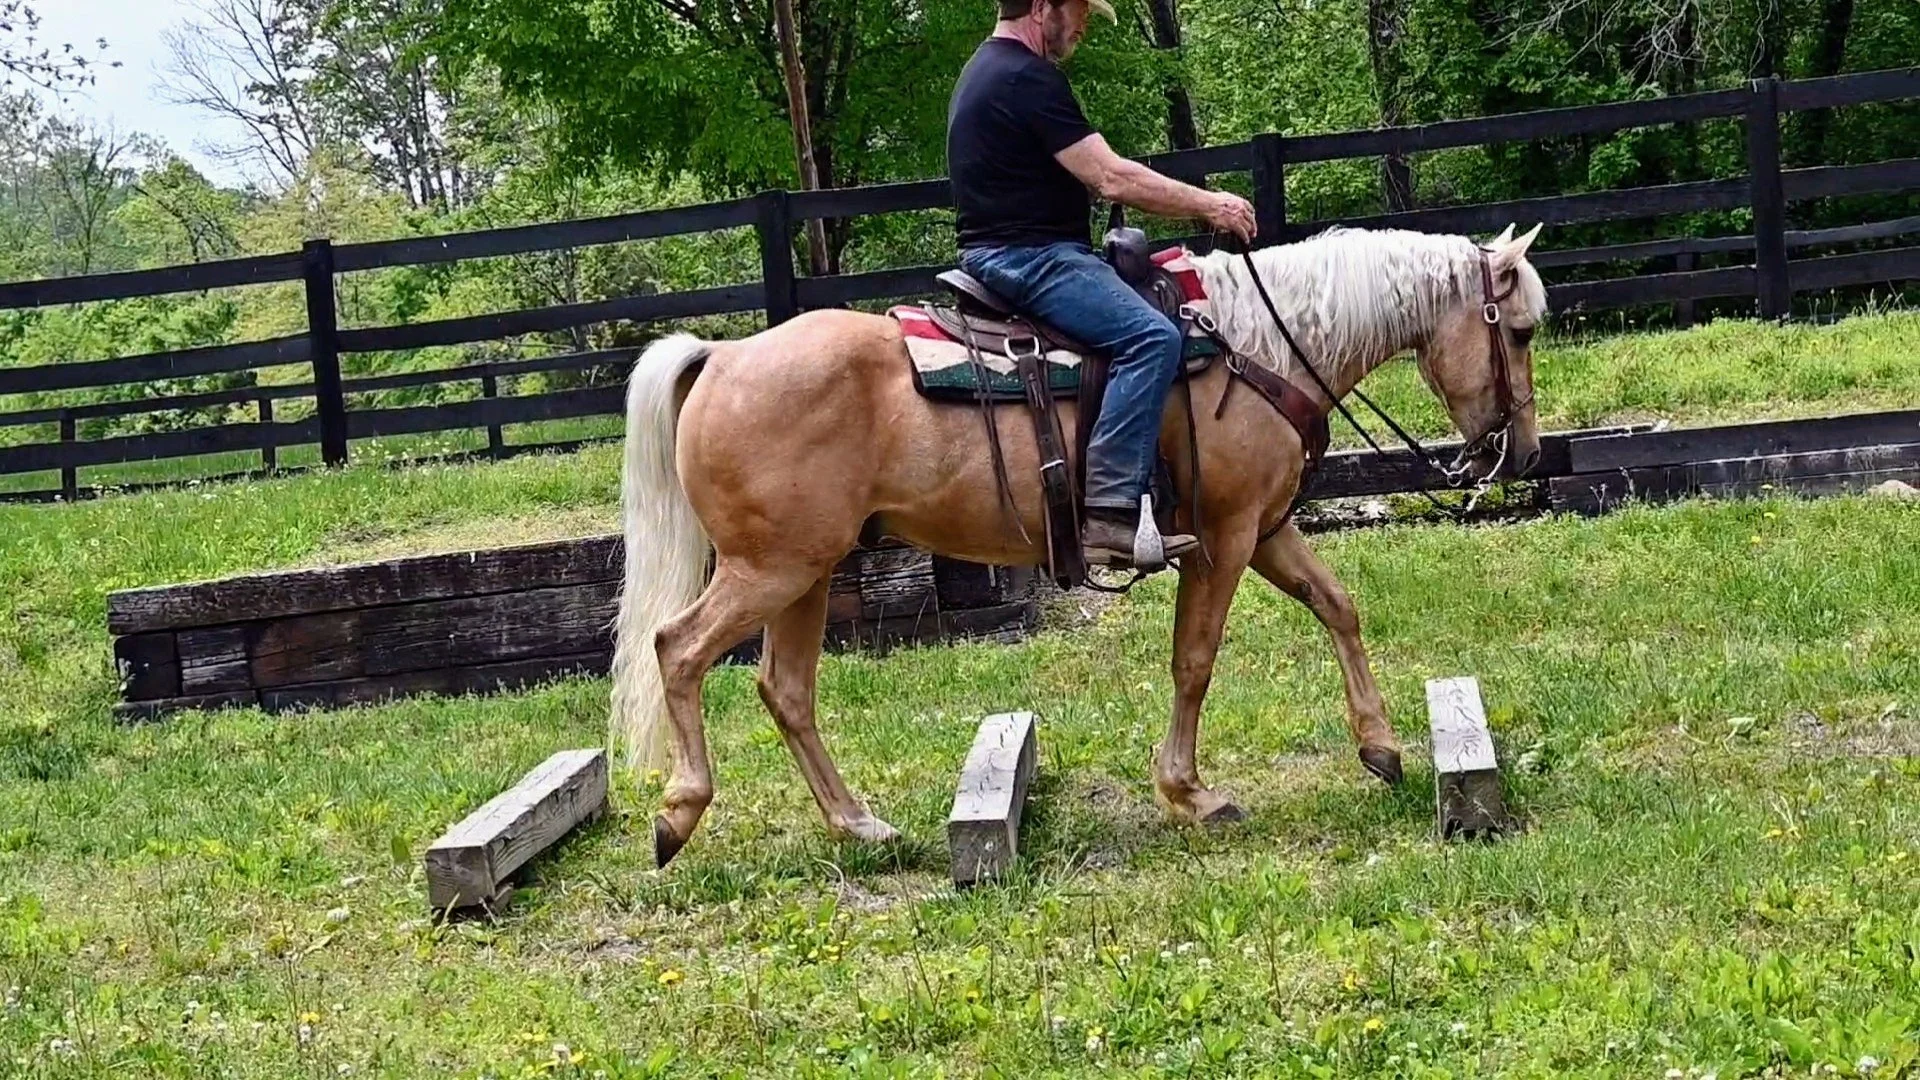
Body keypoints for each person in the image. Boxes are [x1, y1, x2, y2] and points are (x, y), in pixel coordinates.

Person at [946, 0, 1257, 569]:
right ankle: (1110, 512)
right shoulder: (1027, 77)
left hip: (1008, 251)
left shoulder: (982, 70)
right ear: (1042, 7)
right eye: (1077, 9)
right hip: (1030, 258)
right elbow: (1111, 176)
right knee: (1152, 338)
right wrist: (1210, 204)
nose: (1084, 23)